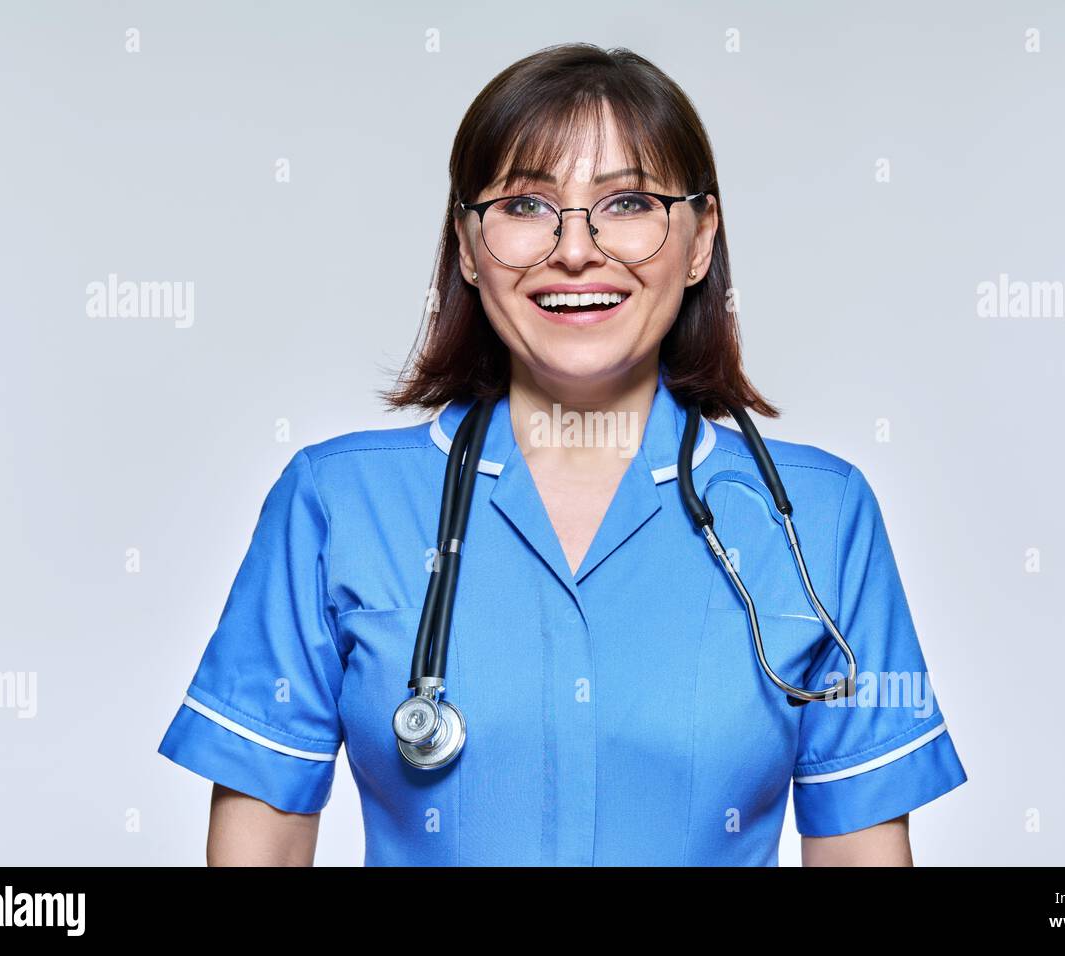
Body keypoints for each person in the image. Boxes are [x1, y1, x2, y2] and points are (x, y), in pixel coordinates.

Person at [158, 42, 966, 866]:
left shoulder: (821, 520)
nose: (575, 251)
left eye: (627, 203)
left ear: (700, 240)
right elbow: (262, 849)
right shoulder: (336, 504)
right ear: (469, 247)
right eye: (525, 205)